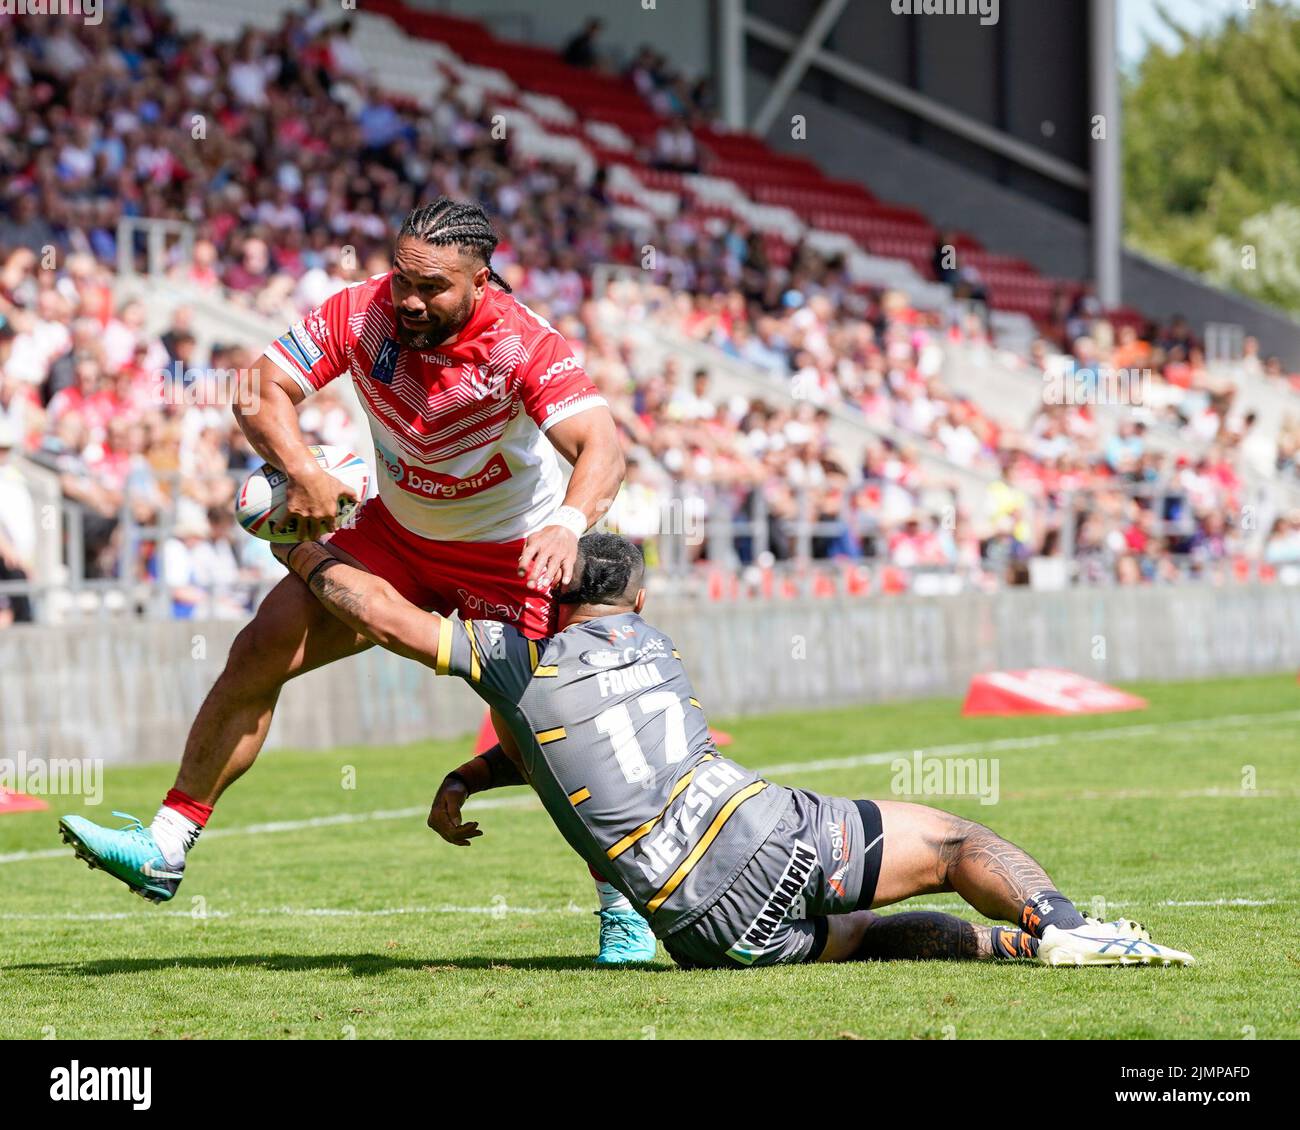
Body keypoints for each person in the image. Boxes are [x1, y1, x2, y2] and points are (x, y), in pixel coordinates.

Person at [65, 532, 1194, 970]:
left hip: (698, 928)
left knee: (868, 931)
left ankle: (1009, 957)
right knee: (954, 835)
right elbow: (586, 735)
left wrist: (306, 545)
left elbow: (405, 627)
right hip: (757, 834)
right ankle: (1069, 926)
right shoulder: (651, 642)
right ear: (634, 596)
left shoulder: (511, 665)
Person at [57, 199, 653, 964]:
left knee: (549, 735)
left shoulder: (522, 343)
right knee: (260, 647)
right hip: (395, 535)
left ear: (481, 281)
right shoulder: (363, 311)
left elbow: (600, 444)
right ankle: (167, 842)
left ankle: (621, 903)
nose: (408, 298)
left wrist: (567, 525)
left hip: (508, 554)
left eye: (431, 287)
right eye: (403, 276)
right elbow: (257, 388)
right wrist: (302, 470)